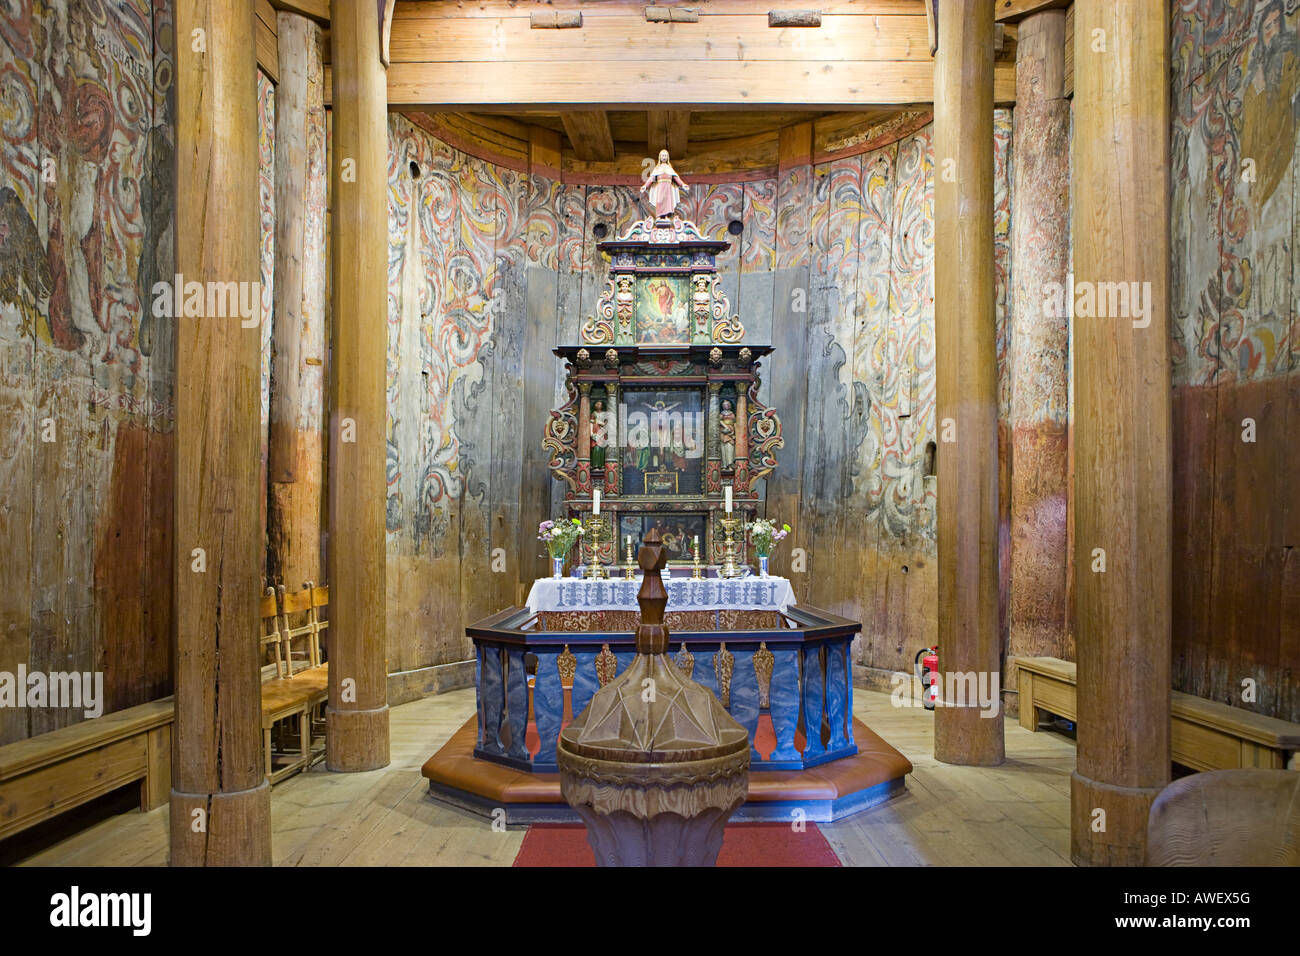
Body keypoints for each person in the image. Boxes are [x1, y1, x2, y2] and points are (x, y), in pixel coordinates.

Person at [641, 149, 690, 219]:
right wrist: (645, 186)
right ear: (660, 157)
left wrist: (683, 184)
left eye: (665, 155)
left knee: (668, 201)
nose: (664, 157)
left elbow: (676, 177)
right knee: (660, 200)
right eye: (663, 155)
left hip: (668, 187)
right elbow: (651, 178)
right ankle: (659, 215)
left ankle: (667, 215)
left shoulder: (669, 168)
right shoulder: (657, 168)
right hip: (660, 187)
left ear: (667, 157)